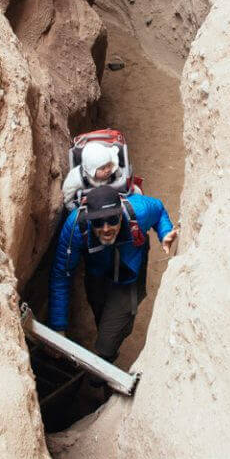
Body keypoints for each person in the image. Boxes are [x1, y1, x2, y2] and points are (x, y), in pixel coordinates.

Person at [49, 185, 178, 365]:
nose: (106, 228)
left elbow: (159, 209)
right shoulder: (76, 227)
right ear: (88, 218)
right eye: (98, 222)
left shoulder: (139, 211)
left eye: (112, 219)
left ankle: (103, 366)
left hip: (128, 275)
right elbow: (62, 275)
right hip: (98, 276)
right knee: (102, 319)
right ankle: (111, 344)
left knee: (107, 341)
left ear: (120, 214)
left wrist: (165, 232)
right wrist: (58, 326)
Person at [61, 140, 139, 210]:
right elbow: (68, 195)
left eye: (109, 165)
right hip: (91, 204)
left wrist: (127, 188)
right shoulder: (76, 178)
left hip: (114, 197)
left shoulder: (114, 169)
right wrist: (73, 208)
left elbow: (124, 179)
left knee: (136, 190)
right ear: (91, 171)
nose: (108, 170)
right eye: (102, 168)